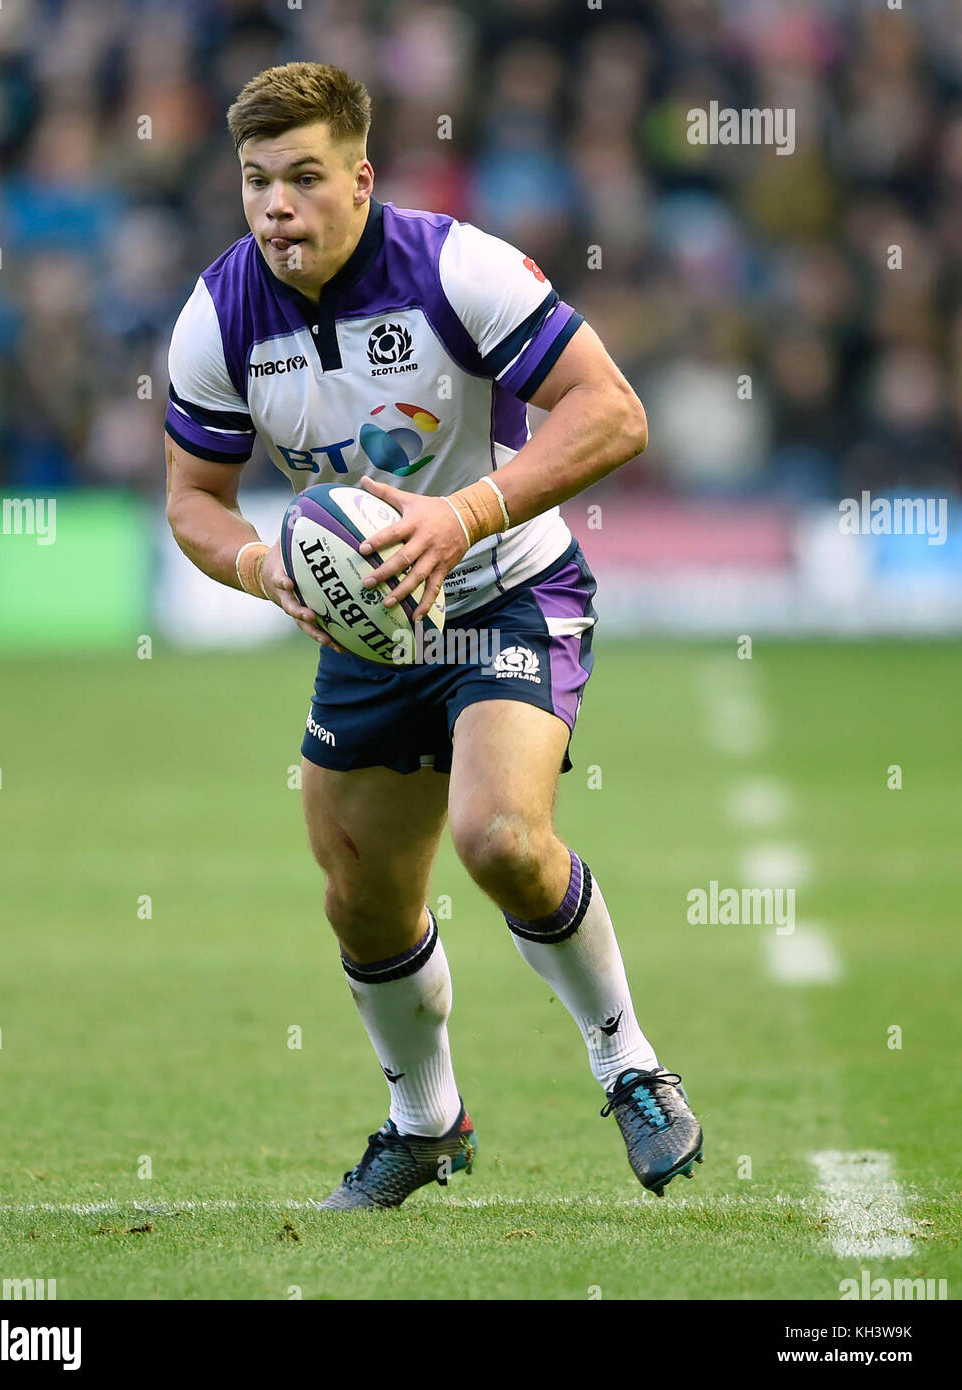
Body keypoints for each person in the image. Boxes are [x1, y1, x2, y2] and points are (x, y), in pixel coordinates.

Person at [164, 61, 703, 1209]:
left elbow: (615, 411)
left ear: (361, 180)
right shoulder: (217, 315)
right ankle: (427, 1122)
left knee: (500, 836)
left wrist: (463, 515)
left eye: (305, 179)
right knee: (360, 889)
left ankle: (630, 1065)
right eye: (257, 182)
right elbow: (192, 500)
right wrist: (263, 568)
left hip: (506, 589)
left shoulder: (458, 267)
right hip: (367, 631)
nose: (276, 207)